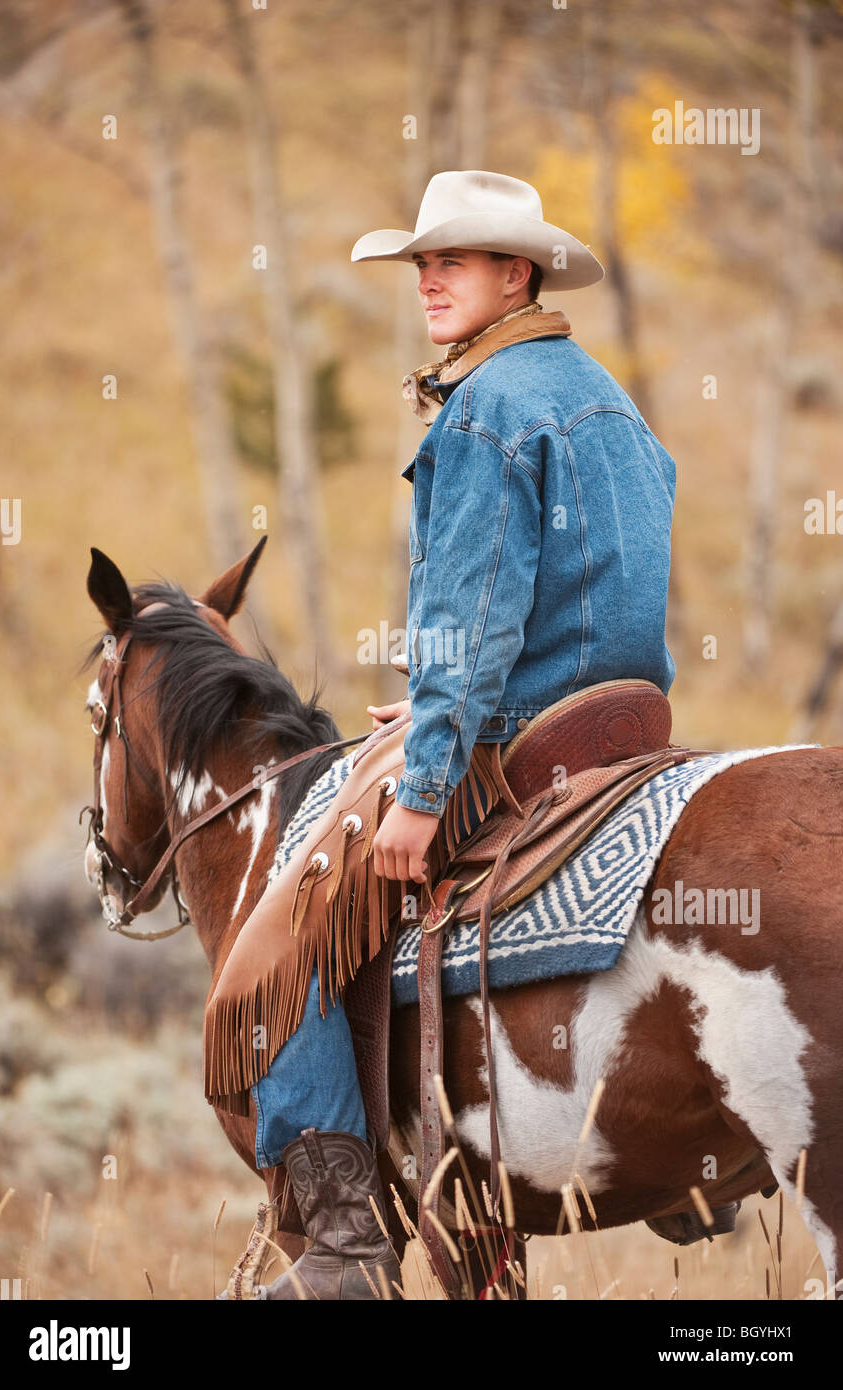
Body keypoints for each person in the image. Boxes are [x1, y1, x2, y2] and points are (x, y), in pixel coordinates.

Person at [254, 170, 677, 1299]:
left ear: (517, 273)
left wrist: (429, 776)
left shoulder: (488, 405)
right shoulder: (608, 398)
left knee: (301, 900)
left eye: (456, 258)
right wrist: (464, 707)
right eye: (423, 262)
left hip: (511, 743)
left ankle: (342, 1232)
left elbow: (471, 614)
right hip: (620, 730)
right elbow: (596, 604)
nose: (429, 279)